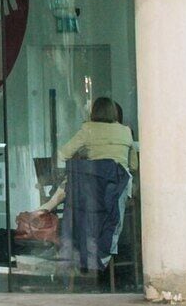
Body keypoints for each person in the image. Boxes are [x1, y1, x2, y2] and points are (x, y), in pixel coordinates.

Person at [57, 98, 138, 280]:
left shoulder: (88, 129)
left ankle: (84, 256)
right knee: (114, 213)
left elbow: (63, 153)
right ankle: (105, 256)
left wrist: (87, 157)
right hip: (118, 192)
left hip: (91, 196)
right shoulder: (126, 132)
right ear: (114, 113)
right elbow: (133, 164)